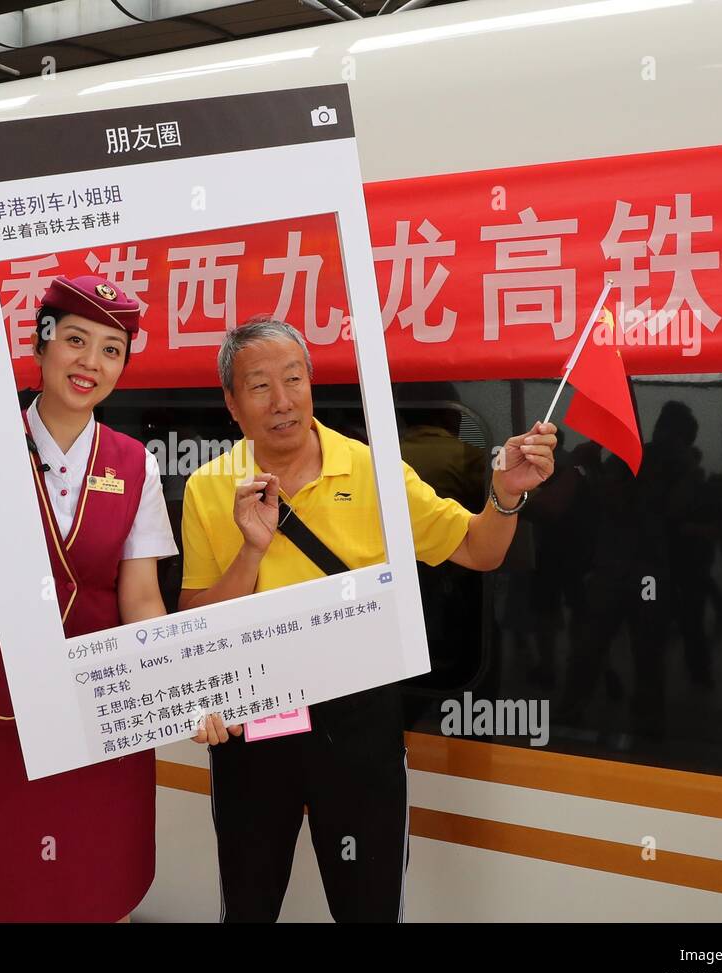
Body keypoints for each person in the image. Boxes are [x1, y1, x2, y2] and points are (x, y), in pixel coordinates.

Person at [180, 315, 556, 922]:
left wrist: (506, 494)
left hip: (358, 725)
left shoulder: (375, 472)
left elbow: (480, 551)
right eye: (258, 387)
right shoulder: (208, 487)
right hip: (255, 726)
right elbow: (194, 623)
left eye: (294, 379)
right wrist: (251, 548)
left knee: (371, 909)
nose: (282, 401)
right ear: (231, 402)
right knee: (248, 908)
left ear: (311, 383)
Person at [0, 274, 177, 922]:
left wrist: (175, 677)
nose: (91, 362)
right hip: (2, 717)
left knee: (102, 888)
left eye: (110, 349)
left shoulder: (135, 464)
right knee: (16, 893)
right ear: (40, 344)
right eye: (75, 340)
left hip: (105, 715)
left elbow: (141, 600)